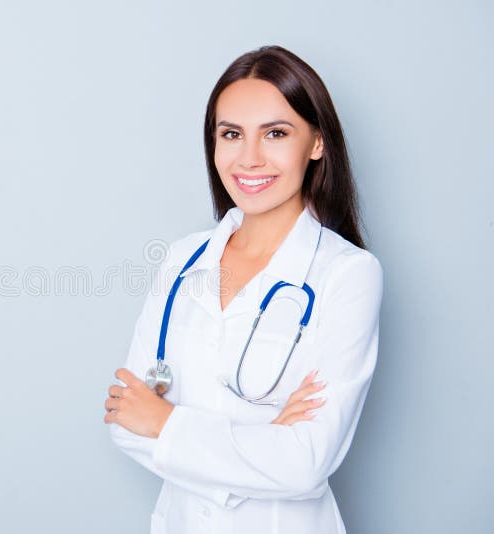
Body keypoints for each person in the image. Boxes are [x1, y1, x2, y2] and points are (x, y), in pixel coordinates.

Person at [103, 45, 383, 534]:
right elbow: (126, 420)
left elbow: (307, 464)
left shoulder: (348, 274)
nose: (249, 158)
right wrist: (263, 441)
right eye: (231, 134)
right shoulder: (182, 260)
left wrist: (167, 424)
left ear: (316, 142)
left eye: (275, 133)